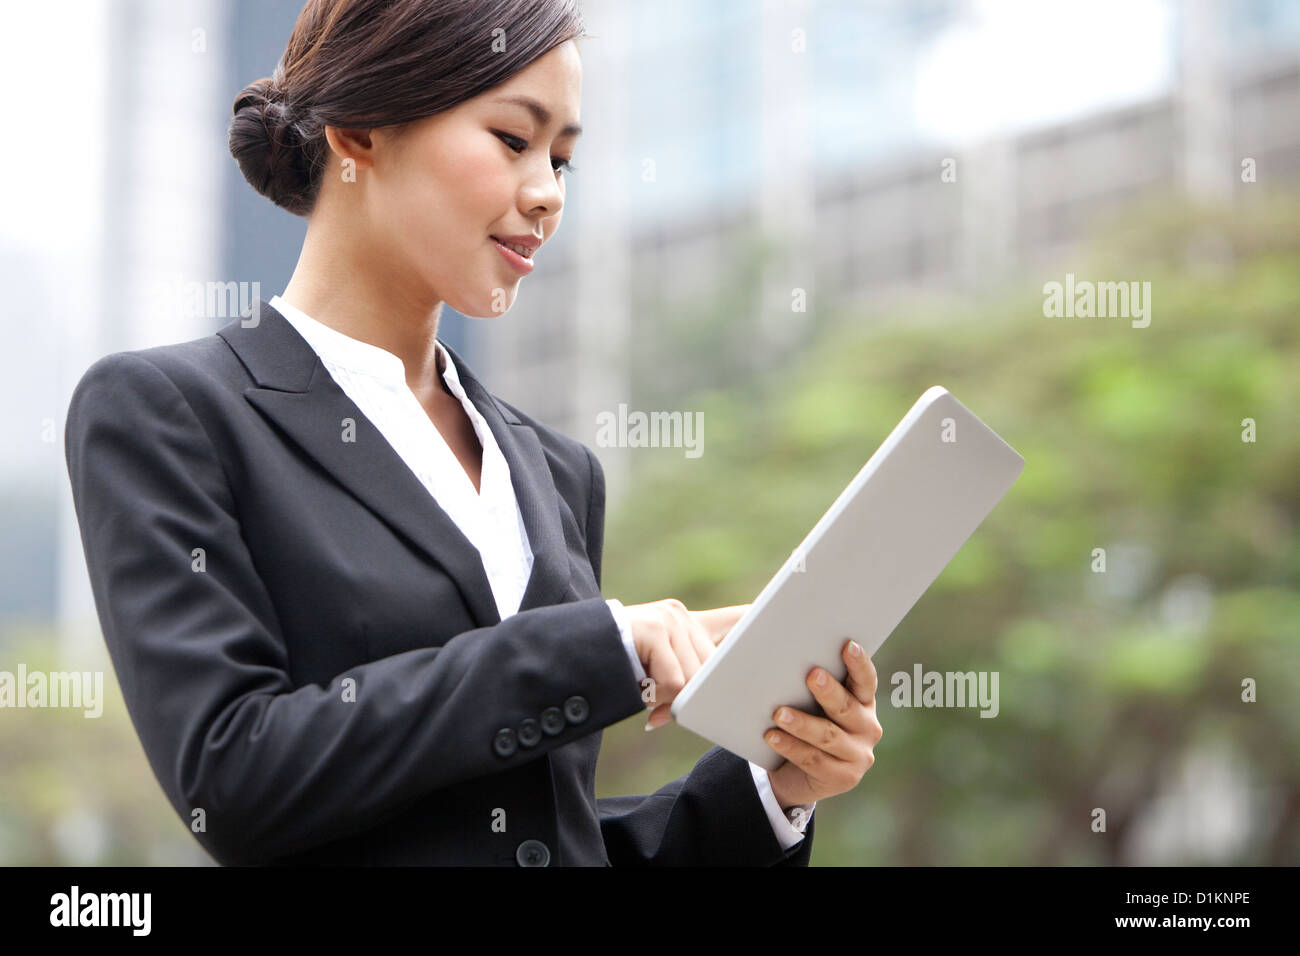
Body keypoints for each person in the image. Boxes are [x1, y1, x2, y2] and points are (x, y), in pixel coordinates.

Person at [63, 0, 882, 866]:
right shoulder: (171, 411)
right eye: (512, 139)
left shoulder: (557, 471)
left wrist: (769, 787)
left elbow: (541, 838)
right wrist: (600, 646)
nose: (549, 193)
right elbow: (231, 779)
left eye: (563, 159)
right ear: (360, 129)